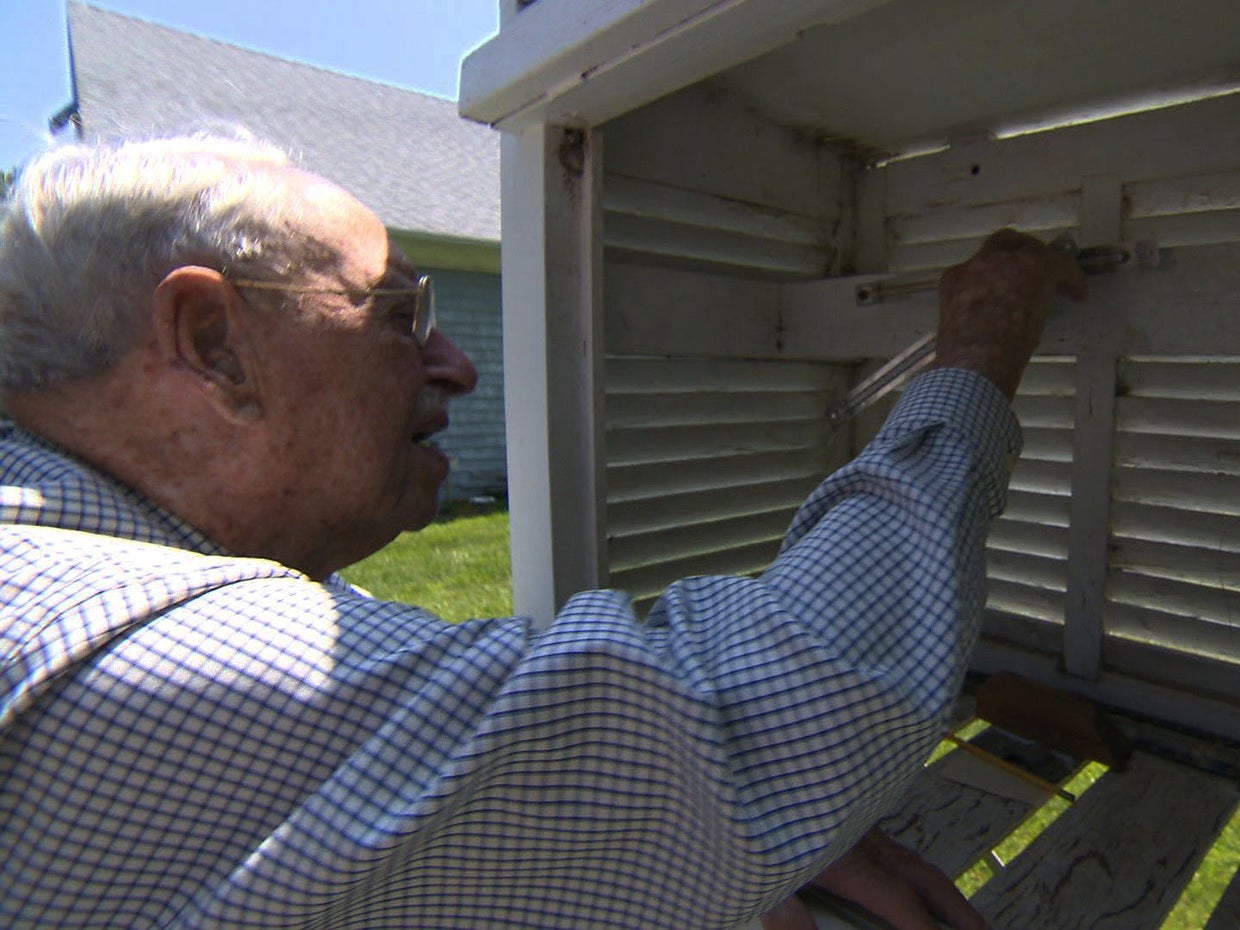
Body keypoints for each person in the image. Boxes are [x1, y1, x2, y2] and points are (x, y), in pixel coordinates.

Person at [0, 134, 1085, 930]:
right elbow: (770, 709)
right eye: (399, 314)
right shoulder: (115, 653)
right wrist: (975, 363)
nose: (457, 366)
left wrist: (636, 842)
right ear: (212, 344)